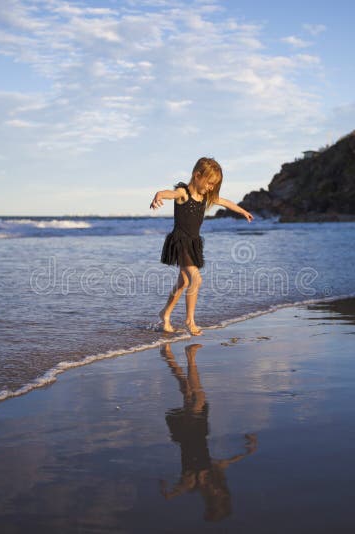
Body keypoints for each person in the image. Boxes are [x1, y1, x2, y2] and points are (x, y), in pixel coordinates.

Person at [150, 157, 253, 335]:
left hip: (193, 243)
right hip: (180, 241)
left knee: (183, 283)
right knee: (196, 279)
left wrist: (243, 211)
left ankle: (165, 314)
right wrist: (159, 194)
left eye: (215, 185)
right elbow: (170, 193)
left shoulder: (205, 197)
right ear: (197, 175)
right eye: (210, 183)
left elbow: (226, 202)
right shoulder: (183, 193)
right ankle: (190, 320)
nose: (211, 187)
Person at [159, 343, 258, 522]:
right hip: (199, 430)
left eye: (216, 496)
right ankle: (169, 356)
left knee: (195, 394)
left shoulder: (194, 482)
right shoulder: (214, 474)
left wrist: (171, 494)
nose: (217, 491)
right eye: (221, 493)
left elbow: (180, 488)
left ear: (209, 498)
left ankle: (188, 356)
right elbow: (227, 461)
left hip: (186, 432)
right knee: (190, 391)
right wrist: (248, 451)